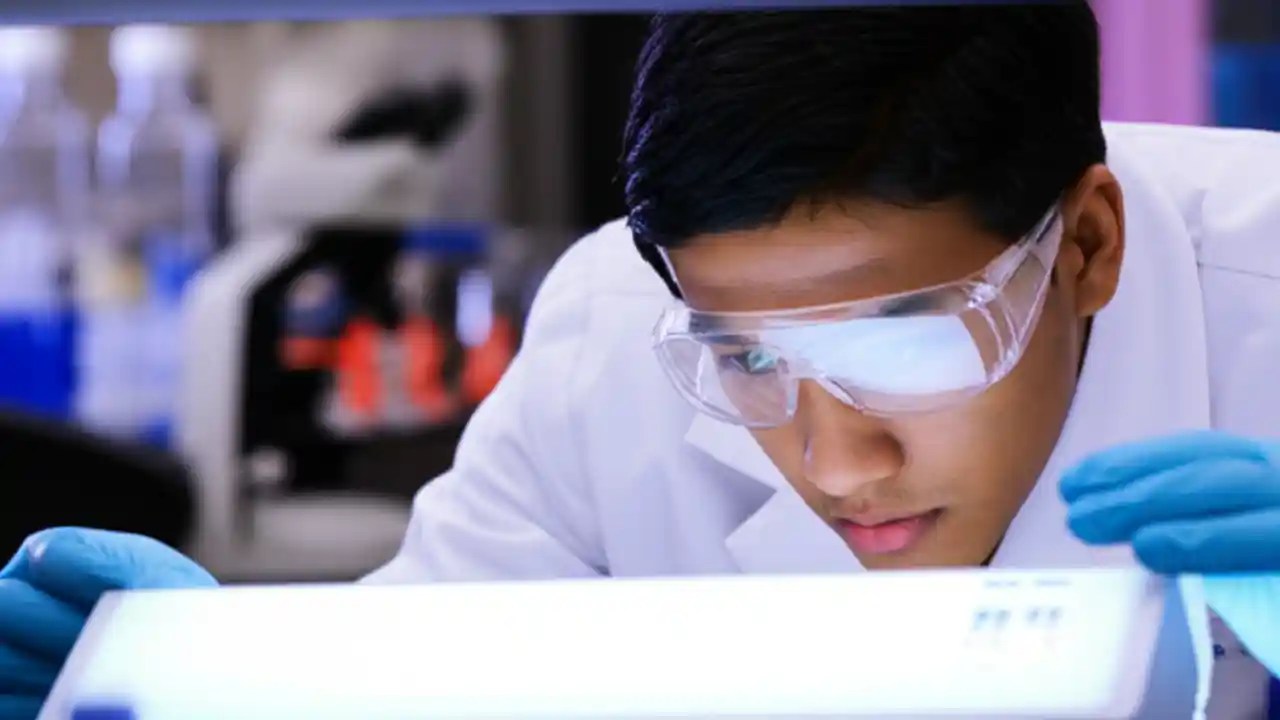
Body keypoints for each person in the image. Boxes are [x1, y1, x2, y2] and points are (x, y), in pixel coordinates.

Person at [4, 3, 1280, 718]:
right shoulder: (616, 322)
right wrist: (188, 687)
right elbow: (423, 680)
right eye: (742, 358)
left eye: (901, 340)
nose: (833, 464)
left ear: (1088, 244)